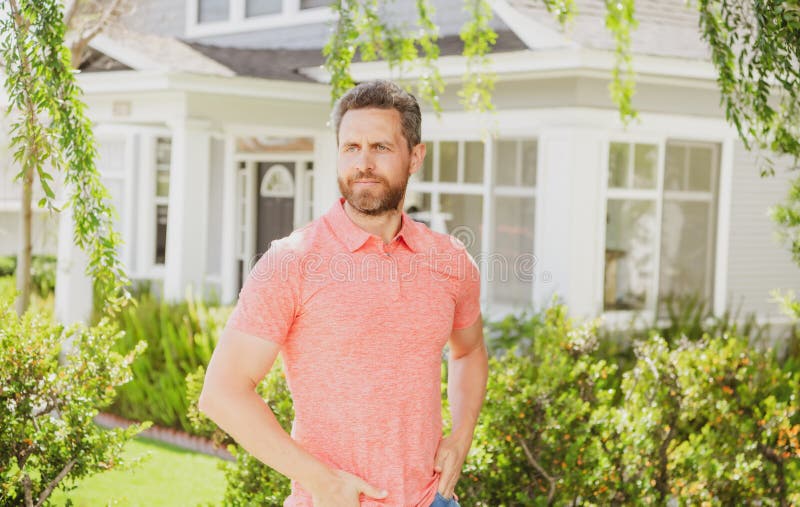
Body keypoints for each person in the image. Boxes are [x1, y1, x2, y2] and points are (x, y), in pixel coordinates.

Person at [199, 79, 488, 507]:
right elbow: (222, 393)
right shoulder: (292, 261)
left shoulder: (448, 259)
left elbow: (469, 350)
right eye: (351, 147)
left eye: (381, 147)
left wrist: (461, 435)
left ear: (415, 156)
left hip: (433, 500)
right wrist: (323, 481)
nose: (364, 163)